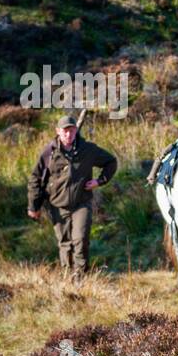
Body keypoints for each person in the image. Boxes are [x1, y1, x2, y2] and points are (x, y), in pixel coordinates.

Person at [27, 114, 117, 279]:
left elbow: (111, 162)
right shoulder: (49, 152)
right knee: (65, 244)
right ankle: (68, 278)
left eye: (72, 130)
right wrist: (34, 206)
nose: (69, 135)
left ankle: (81, 279)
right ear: (58, 131)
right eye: (65, 131)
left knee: (80, 240)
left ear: (76, 130)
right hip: (57, 205)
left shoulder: (88, 149)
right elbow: (36, 178)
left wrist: (100, 180)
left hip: (82, 203)